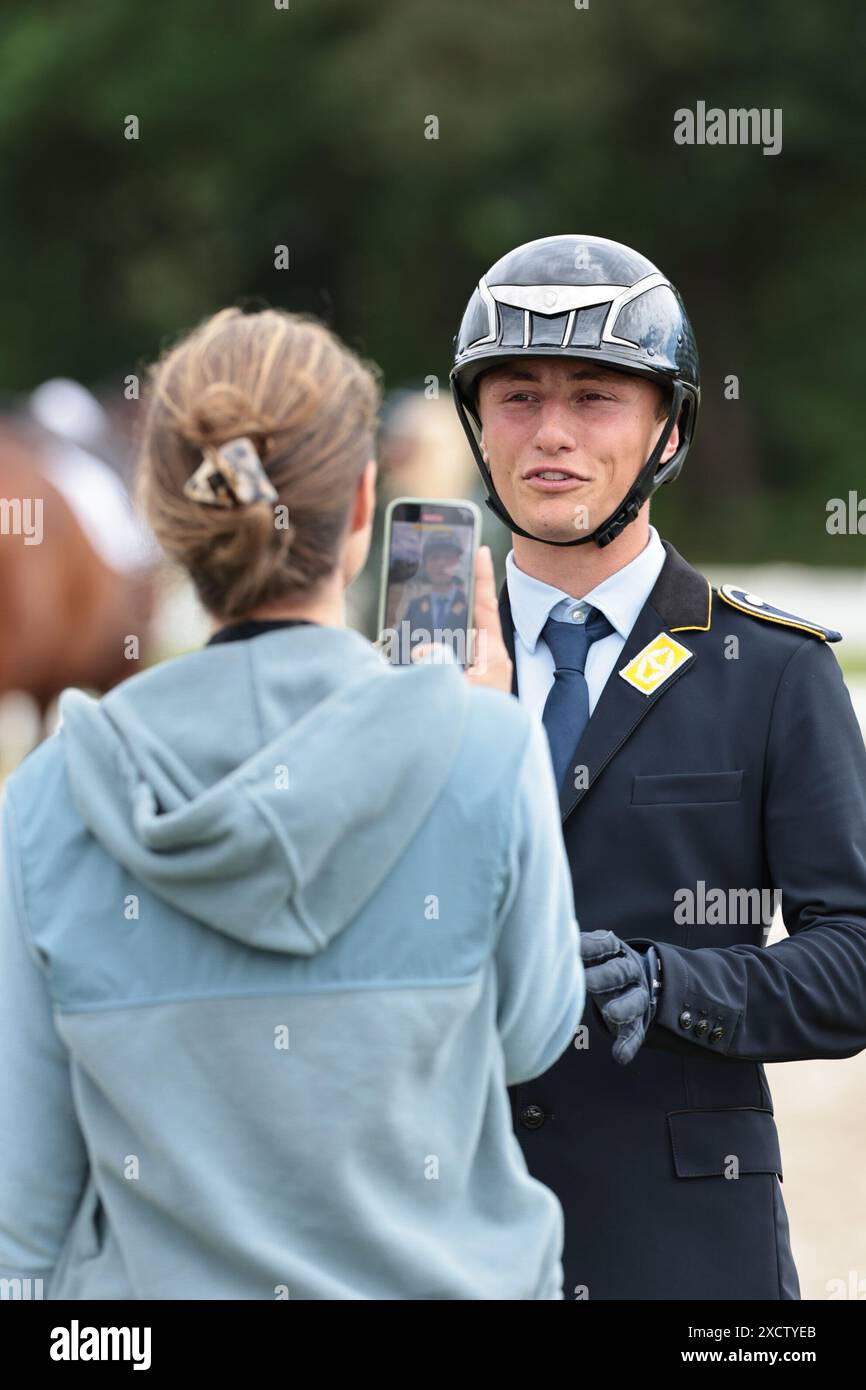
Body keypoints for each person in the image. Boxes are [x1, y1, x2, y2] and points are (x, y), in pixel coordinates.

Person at [0, 306, 584, 1301]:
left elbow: (23, 1210)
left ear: (166, 516)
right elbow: (531, 1036)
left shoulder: (46, 798)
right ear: (364, 506)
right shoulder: (484, 747)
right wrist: (478, 739)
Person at [449, 233, 866, 1301]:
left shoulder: (774, 671)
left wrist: (673, 983)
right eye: (516, 395)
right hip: (445, 1236)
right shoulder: (404, 673)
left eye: (594, 397)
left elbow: (853, 959)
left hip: (685, 1255)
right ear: (475, 421)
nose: (549, 433)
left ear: (666, 428)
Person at [402, 530, 469, 653]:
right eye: (434, 558)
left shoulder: (469, 606)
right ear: (425, 564)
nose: (441, 564)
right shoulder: (414, 606)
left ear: (457, 563)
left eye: (448, 557)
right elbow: (401, 651)